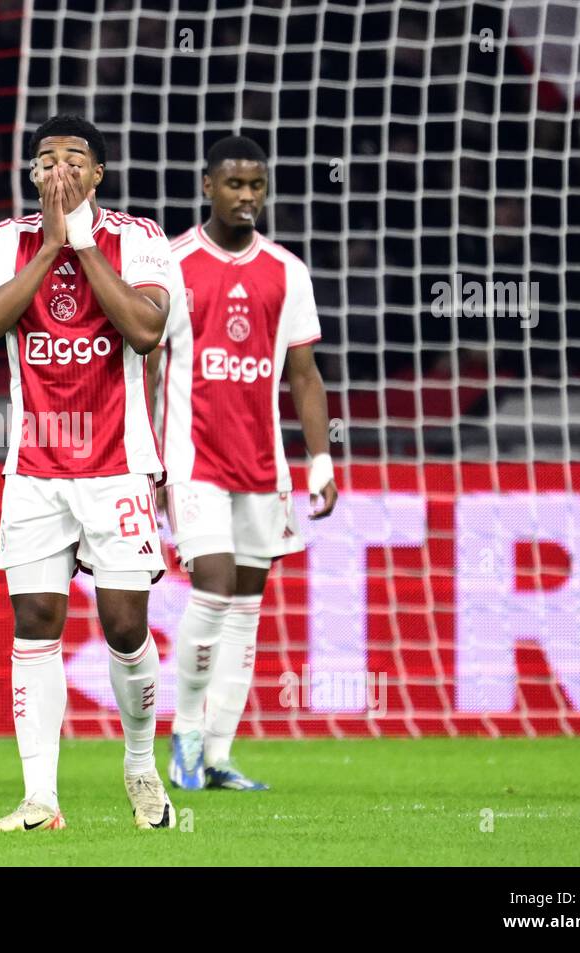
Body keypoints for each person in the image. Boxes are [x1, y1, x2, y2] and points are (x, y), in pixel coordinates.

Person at [0, 115, 175, 830]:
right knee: (35, 622)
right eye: (46, 158)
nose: (59, 169)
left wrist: (80, 246)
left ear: (98, 175)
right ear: (32, 174)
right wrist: (48, 245)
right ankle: (39, 799)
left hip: (117, 466)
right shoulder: (6, 239)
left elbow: (145, 330)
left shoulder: (139, 237)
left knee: (123, 629)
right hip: (34, 467)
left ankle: (141, 765)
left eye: (74, 159)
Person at [153, 135, 337, 791]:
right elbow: (147, 365)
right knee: (215, 587)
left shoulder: (287, 271)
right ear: (209, 188)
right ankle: (185, 735)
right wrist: (143, 458)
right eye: (235, 185)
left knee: (248, 608)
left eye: (256, 185)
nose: (247, 197)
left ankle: (219, 755)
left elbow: (304, 374)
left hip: (263, 466)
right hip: (192, 459)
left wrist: (321, 460)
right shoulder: (171, 264)